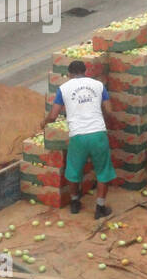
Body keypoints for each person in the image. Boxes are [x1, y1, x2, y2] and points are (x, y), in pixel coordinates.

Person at [46, 60, 116, 219]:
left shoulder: (63, 89)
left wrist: (43, 123)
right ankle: (100, 207)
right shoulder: (98, 85)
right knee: (103, 171)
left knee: (73, 171)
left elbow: (53, 116)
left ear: (69, 74)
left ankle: (74, 203)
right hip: (98, 134)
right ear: (85, 72)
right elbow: (110, 111)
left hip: (77, 136)